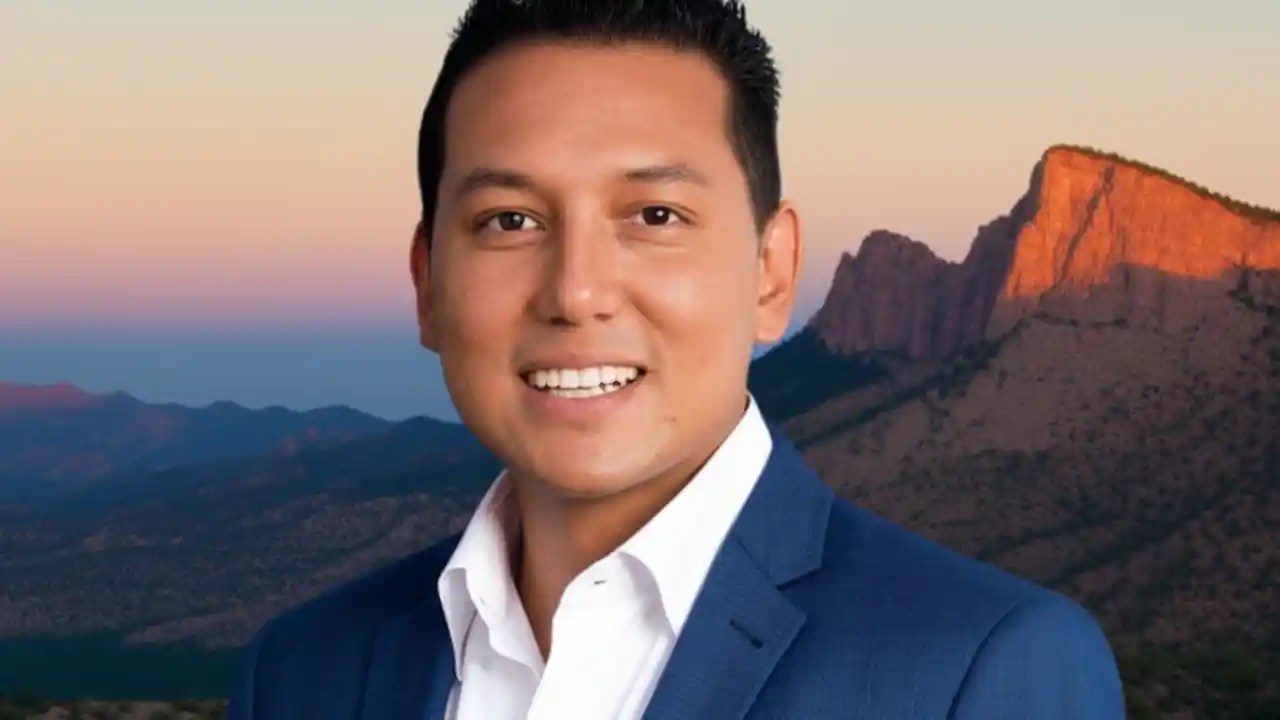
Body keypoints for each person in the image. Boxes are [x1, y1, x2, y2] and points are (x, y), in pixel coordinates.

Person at [227, 0, 1125, 717]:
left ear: (772, 272)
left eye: (654, 217)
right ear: (428, 283)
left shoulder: (987, 667)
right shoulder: (303, 671)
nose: (575, 292)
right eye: (511, 221)